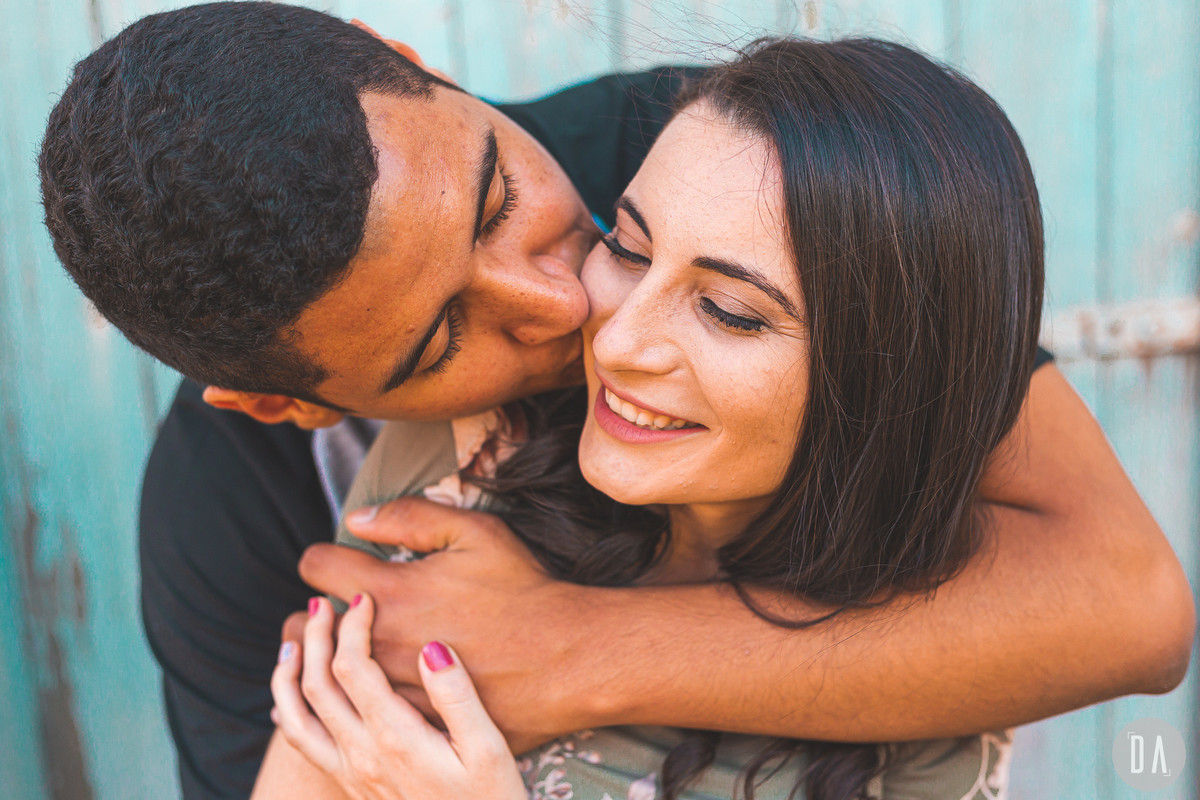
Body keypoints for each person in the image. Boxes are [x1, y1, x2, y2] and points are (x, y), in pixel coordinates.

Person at [36, 4, 1194, 798]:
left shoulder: (704, 157)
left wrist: (568, 650)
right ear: (292, 406)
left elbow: (1126, 601)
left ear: (395, 50)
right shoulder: (245, 518)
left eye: (499, 196)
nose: (572, 305)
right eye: (446, 337)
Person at [258, 37, 1076, 799]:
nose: (614, 341)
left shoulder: (933, 710)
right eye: (627, 246)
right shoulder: (456, 480)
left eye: (728, 311)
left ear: (881, 382)